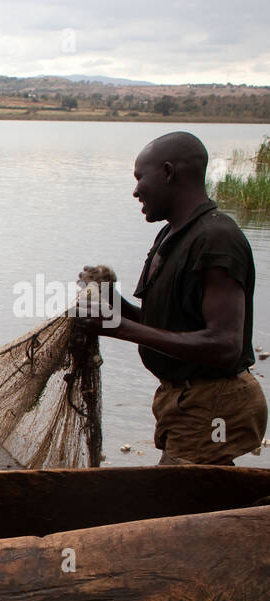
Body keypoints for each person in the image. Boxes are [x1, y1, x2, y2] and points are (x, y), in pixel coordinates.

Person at [77, 131, 266, 465]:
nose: (135, 191)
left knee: (181, 500)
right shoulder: (172, 235)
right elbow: (162, 326)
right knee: (199, 498)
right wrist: (110, 300)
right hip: (187, 400)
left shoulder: (216, 238)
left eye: (140, 178)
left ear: (167, 172)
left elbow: (225, 346)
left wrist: (121, 329)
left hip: (215, 405)